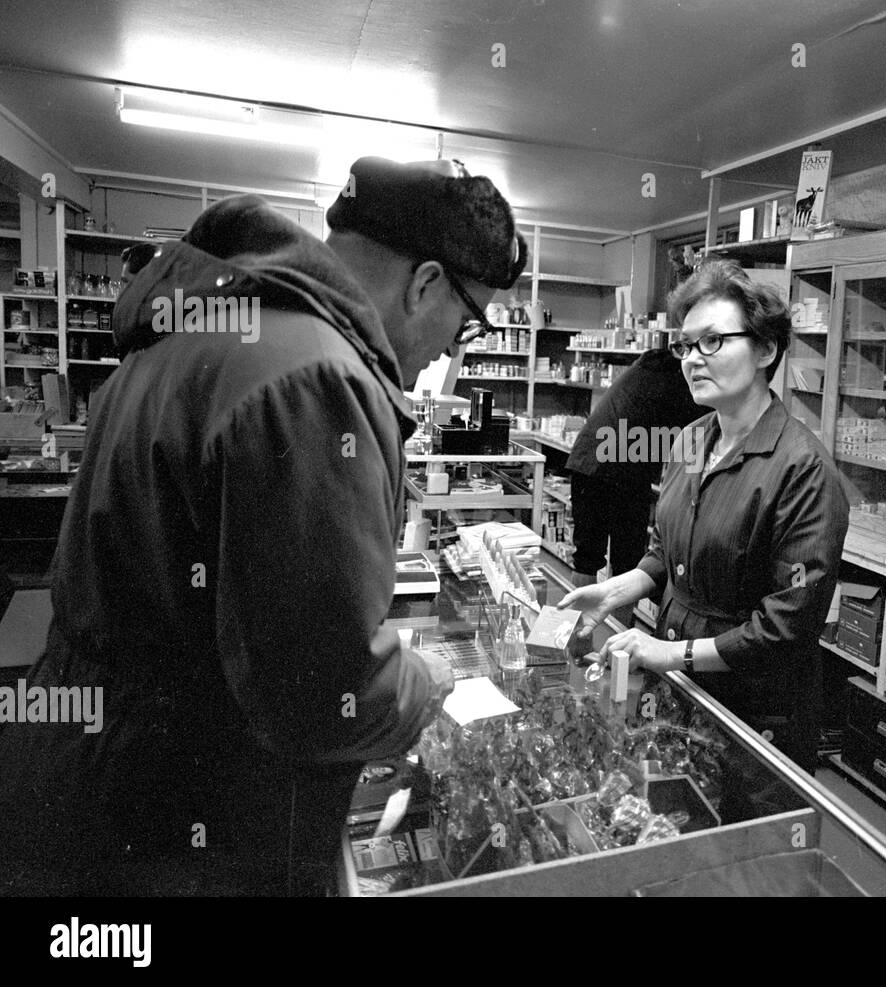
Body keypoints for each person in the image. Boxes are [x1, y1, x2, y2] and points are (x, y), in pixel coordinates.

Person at [0, 156, 528, 895]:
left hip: (92, 771)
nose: (450, 350)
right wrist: (424, 680)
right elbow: (322, 689)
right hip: (178, 810)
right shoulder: (317, 376)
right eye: (468, 322)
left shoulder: (211, 324)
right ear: (426, 283)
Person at [559, 261, 849, 773]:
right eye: (686, 345)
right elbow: (665, 549)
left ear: (765, 350)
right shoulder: (691, 440)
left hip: (757, 715)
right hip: (685, 691)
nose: (693, 360)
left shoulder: (803, 468)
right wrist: (617, 589)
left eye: (712, 342)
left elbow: (787, 626)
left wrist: (669, 654)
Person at [565, 348, 700, 584]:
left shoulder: (652, 365)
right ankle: (612, 622)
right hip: (622, 470)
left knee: (588, 556)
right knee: (627, 563)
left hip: (588, 462)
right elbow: (692, 441)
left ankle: (580, 621)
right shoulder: (685, 385)